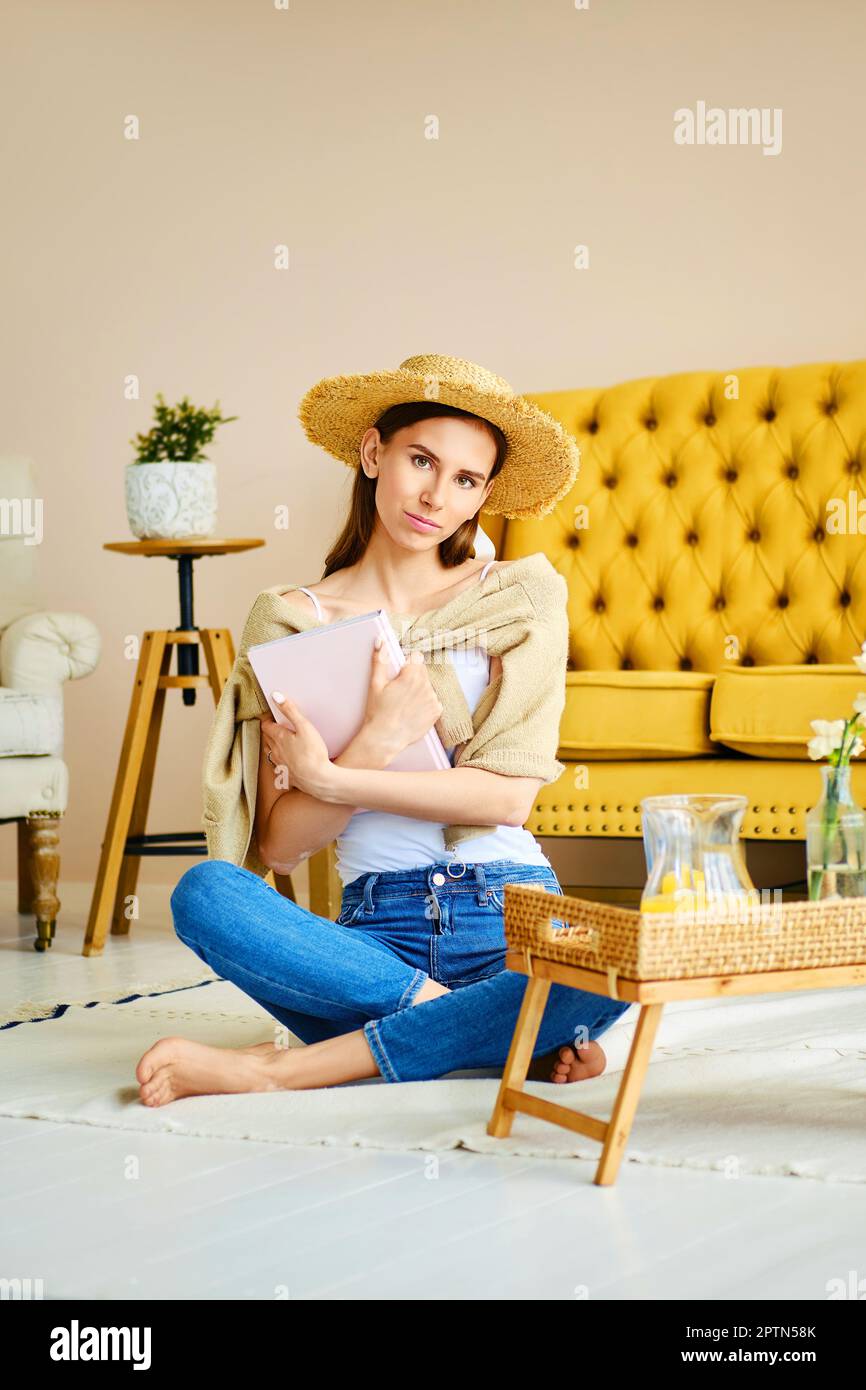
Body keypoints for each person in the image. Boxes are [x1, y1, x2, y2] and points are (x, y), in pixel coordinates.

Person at [136, 353, 631, 1106]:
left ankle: (277, 1070)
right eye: (421, 461)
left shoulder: (519, 598)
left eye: (466, 480)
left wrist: (334, 776)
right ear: (374, 453)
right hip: (376, 935)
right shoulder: (293, 618)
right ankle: (492, 1035)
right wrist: (379, 736)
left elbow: (506, 802)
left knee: (616, 955)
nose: (437, 495)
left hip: (512, 906)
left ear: (483, 497)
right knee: (206, 894)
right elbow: (279, 845)